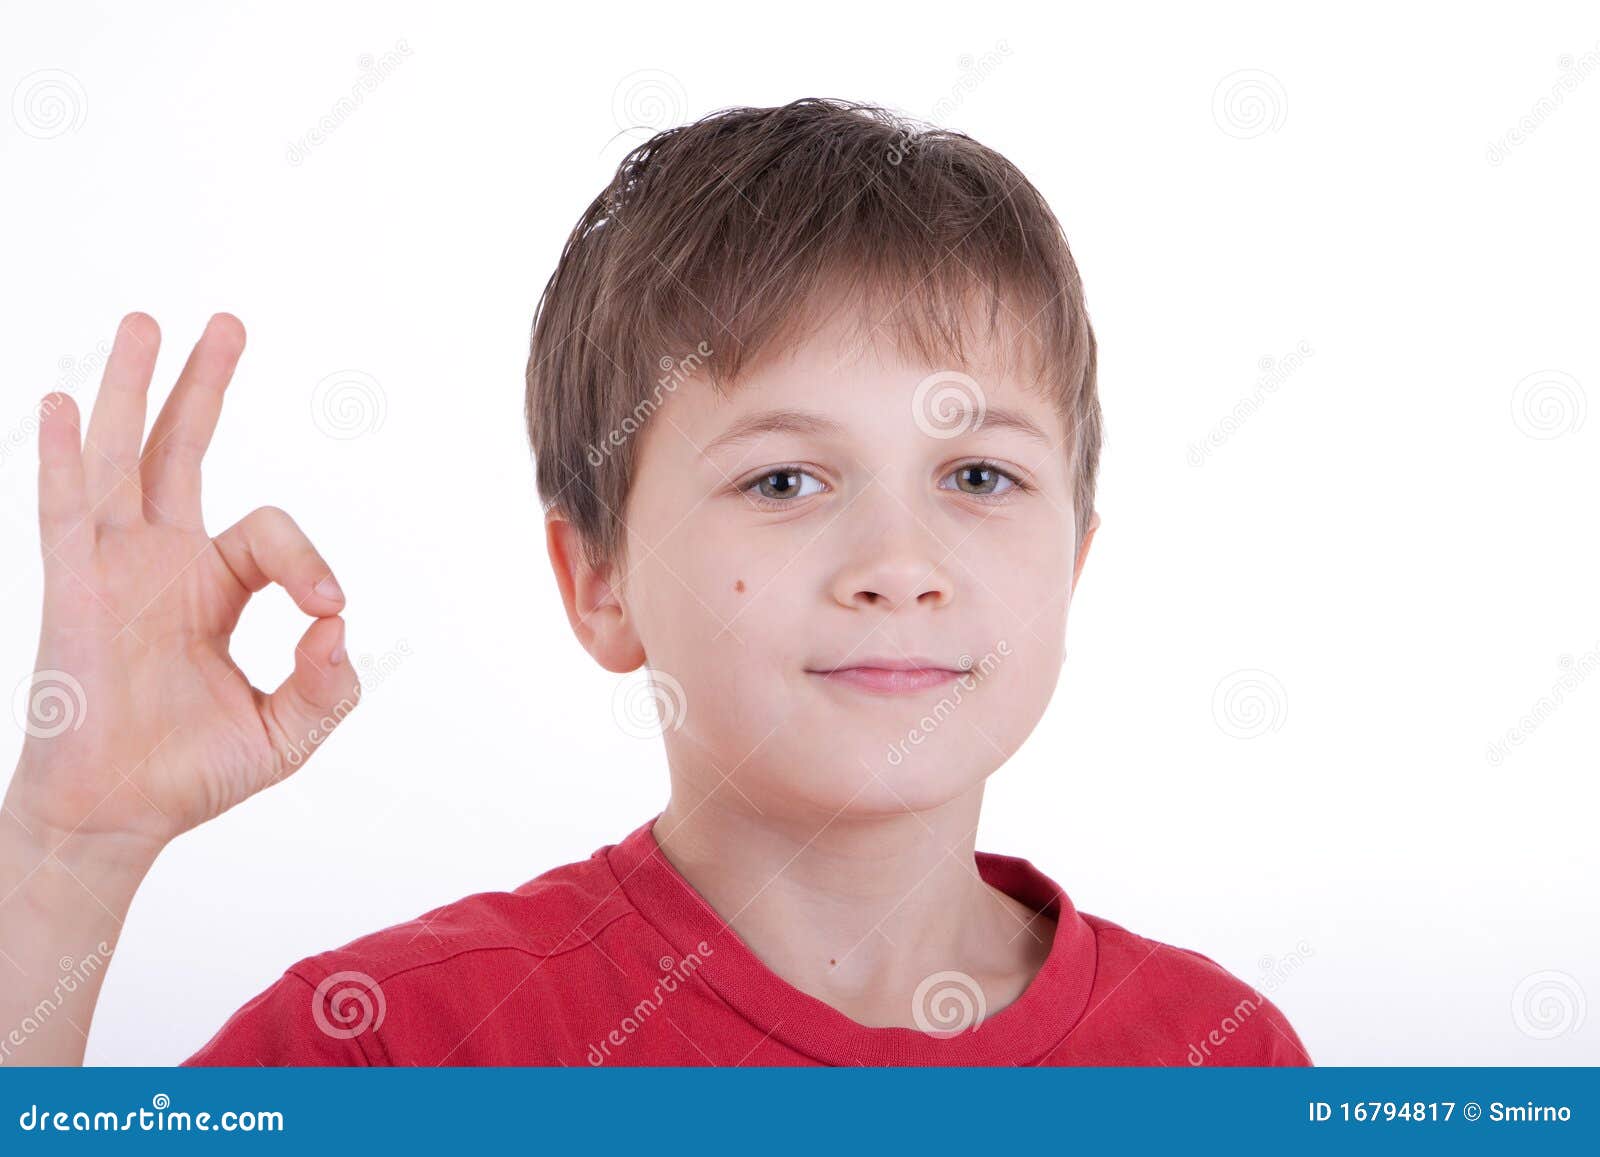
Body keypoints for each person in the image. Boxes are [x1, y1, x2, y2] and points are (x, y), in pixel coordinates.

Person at [0, 97, 1309, 1066]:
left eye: (978, 475)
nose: (899, 566)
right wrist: (70, 849)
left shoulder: (1223, 1058)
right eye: (784, 480)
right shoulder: (401, 1049)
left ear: (1074, 563)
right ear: (599, 579)